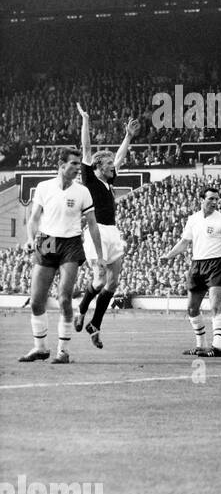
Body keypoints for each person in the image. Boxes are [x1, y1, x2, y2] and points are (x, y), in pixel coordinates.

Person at [20, 147, 105, 363]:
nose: (78, 168)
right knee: (37, 301)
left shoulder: (82, 191)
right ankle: (40, 348)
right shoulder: (44, 187)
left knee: (64, 297)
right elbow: (34, 218)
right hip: (47, 241)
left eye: (79, 164)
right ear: (61, 164)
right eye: (74, 164)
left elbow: (93, 225)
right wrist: (31, 238)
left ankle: (63, 352)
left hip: (71, 244)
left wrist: (100, 256)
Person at [74, 103, 140, 348]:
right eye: (110, 165)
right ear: (99, 167)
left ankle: (95, 324)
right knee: (100, 279)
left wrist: (128, 136)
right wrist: (86, 121)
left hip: (112, 232)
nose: (114, 166)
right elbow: (87, 148)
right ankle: (82, 308)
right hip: (96, 231)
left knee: (113, 282)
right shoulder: (90, 180)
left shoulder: (109, 183)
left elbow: (121, 156)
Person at [158, 187, 221, 358]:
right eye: (211, 199)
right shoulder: (193, 219)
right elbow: (184, 242)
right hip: (197, 265)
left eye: (216, 199)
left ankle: (217, 348)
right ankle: (201, 346)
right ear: (201, 200)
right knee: (191, 308)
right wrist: (169, 256)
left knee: (215, 306)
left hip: (216, 264)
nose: (214, 202)